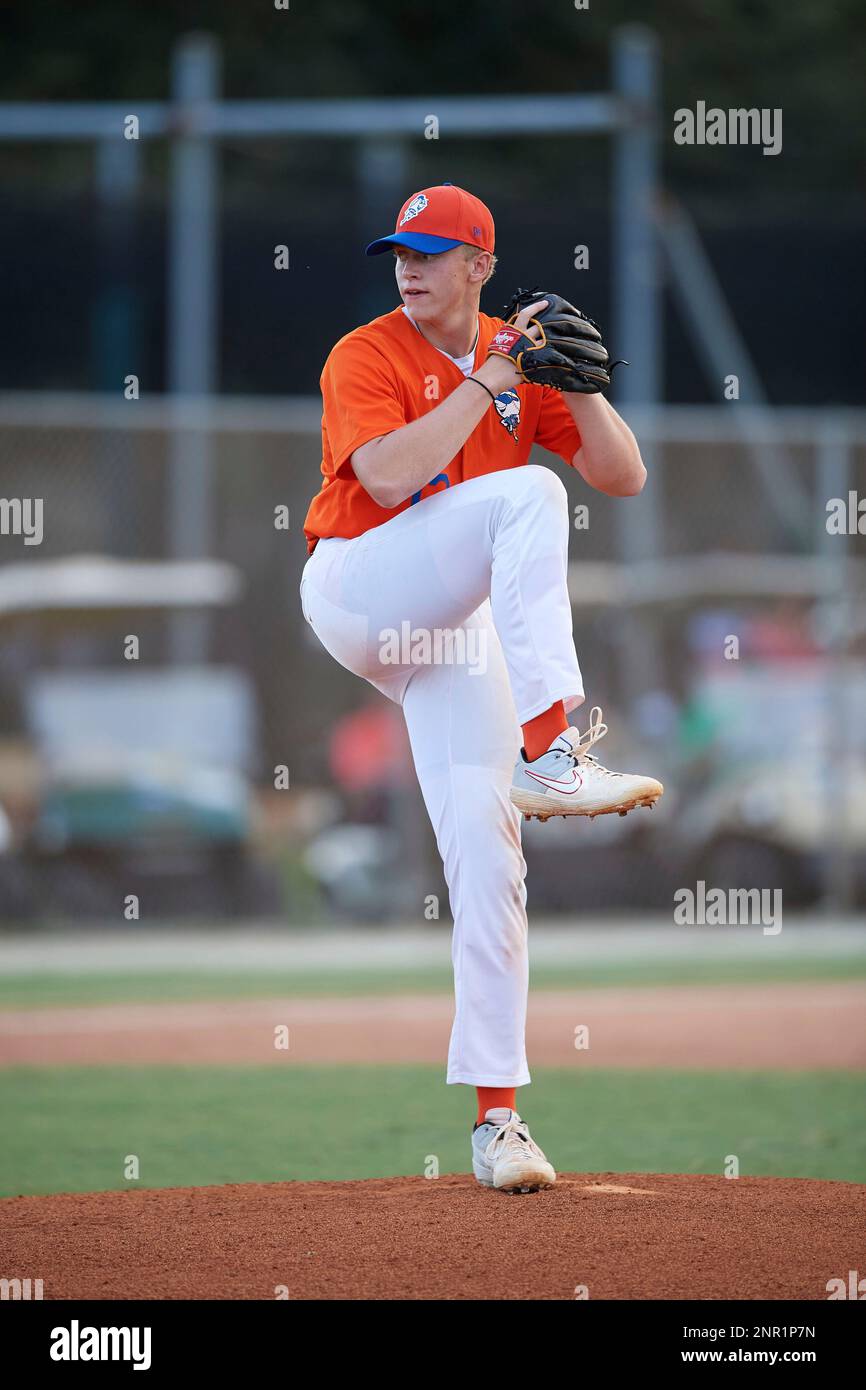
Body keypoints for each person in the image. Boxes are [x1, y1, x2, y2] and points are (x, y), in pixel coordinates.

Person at [299, 183, 663, 1194]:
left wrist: (576, 385)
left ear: (479, 265)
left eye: (429, 252)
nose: (408, 268)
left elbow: (622, 476)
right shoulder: (367, 352)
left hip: (450, 633)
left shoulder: (515, 353)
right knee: (527, 492)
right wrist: (491, 379)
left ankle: (497, 1121)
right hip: (359, 589)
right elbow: (385, 477)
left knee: (491, 861)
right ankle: (553, 746)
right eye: (399, 252)